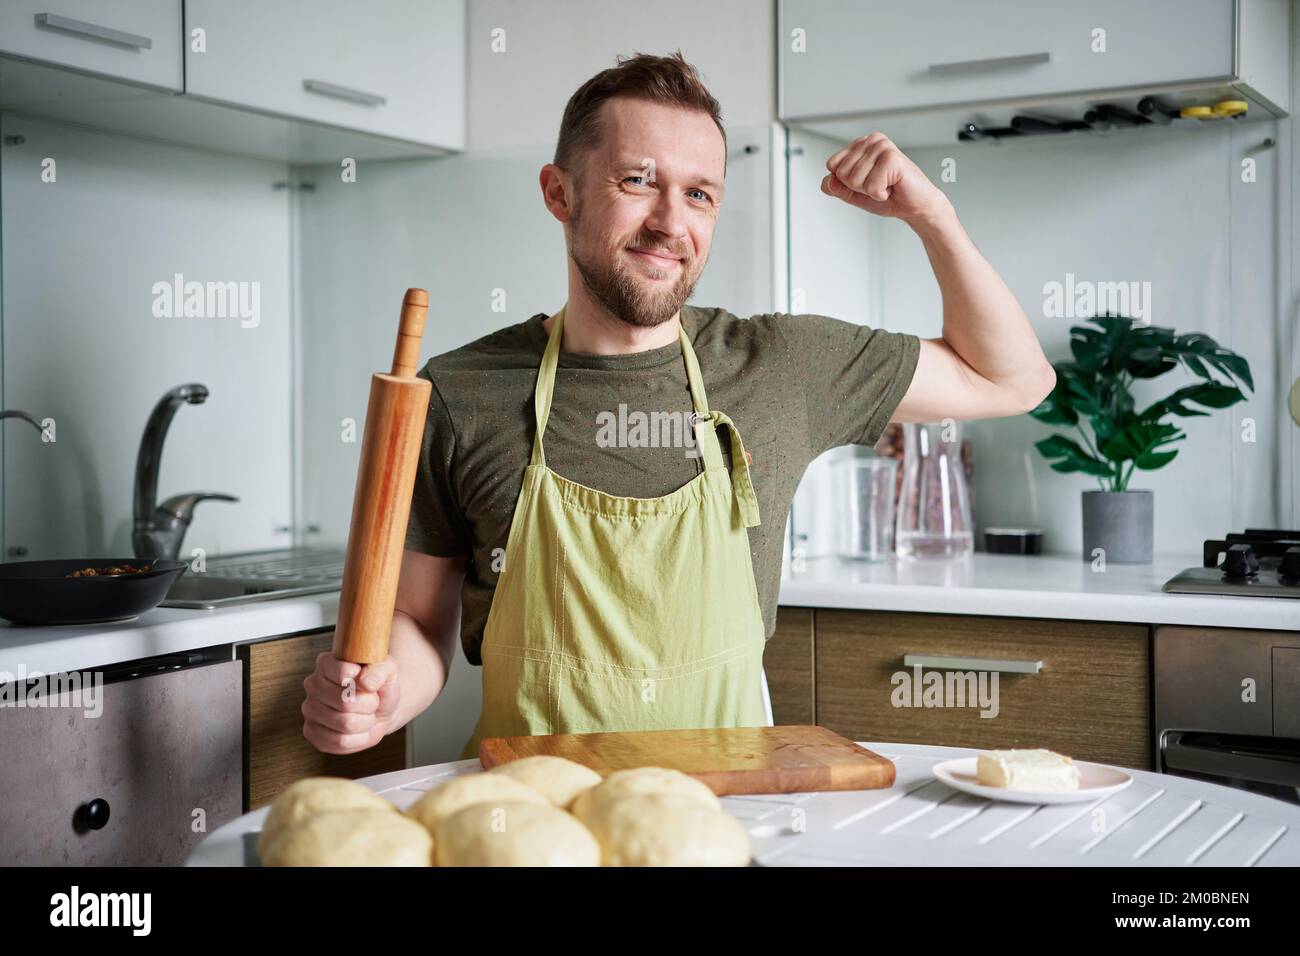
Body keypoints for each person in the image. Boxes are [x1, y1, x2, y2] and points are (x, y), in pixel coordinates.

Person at [301, 52, 1054, 759]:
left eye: (699, 193)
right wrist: (381, 696)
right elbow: (420, 625)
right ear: (559, 193)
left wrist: (933, 216)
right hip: (529, 824)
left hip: (727, 815)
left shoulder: (780, 367)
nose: (671, 222)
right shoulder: (462, 392)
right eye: (637, 180)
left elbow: (1013, 381)